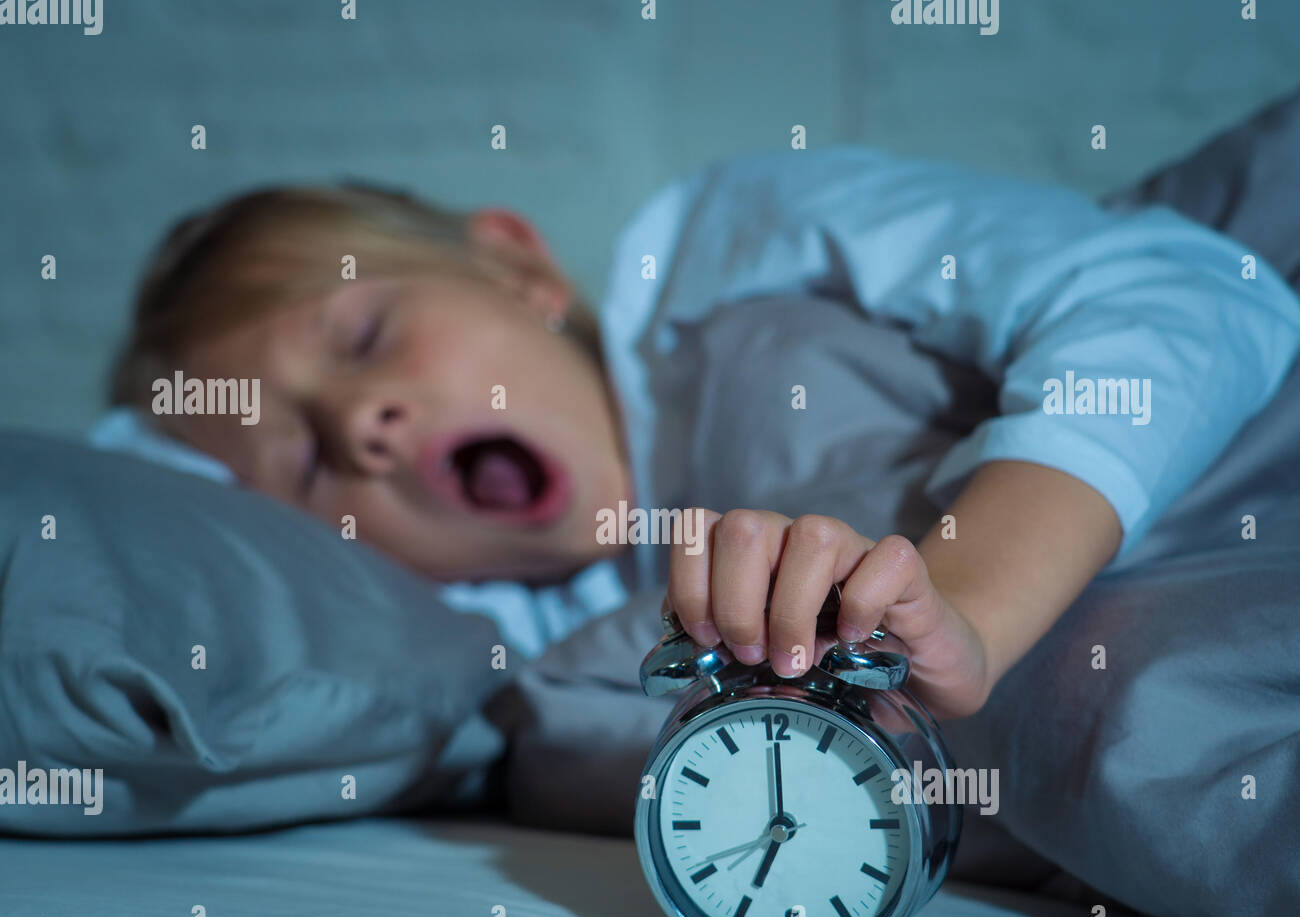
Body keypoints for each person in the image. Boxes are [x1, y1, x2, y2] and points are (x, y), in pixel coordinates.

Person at [95, 144, 1300, 725]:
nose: (364, 423)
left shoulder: (730, 248)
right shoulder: (529, 651)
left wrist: (970, 602)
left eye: (363, 341)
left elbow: (1187, 293)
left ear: (516, 268)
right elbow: (137, 517)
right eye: (305, 460)